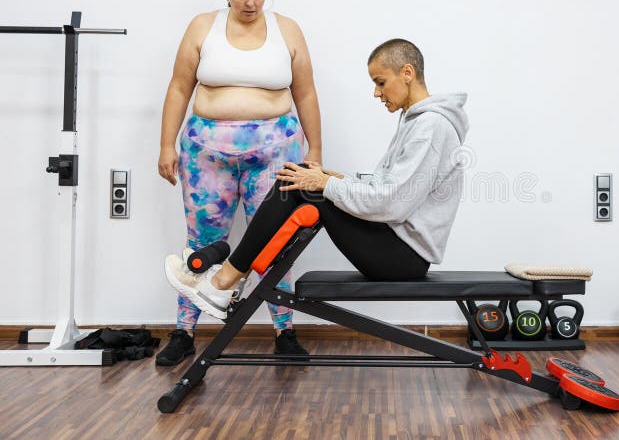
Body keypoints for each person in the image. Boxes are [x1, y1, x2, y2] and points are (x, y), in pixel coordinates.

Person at [165, 38, 468, 319]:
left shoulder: (430, 128)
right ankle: (228, 278)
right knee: (299, 178)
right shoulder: (418, 122)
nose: (376, 92)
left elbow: (392, 204)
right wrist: (327, 176)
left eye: (380, 82)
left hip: (403, 258)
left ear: (407, 73)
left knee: (299, 186)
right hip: (396, 245)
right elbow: (385, 186)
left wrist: (323, 184)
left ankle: (223, 281)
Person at [156, 0, 322, 365]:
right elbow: (179, 86)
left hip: (275, 151)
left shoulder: (287, 30)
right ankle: (184, 333)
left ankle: (285, 332)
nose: (250, 3)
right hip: (206, 154)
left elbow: (306, 93)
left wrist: (315, 151)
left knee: (275, 241)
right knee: (201, 243)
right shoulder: (202, 26)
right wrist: (166, 144)